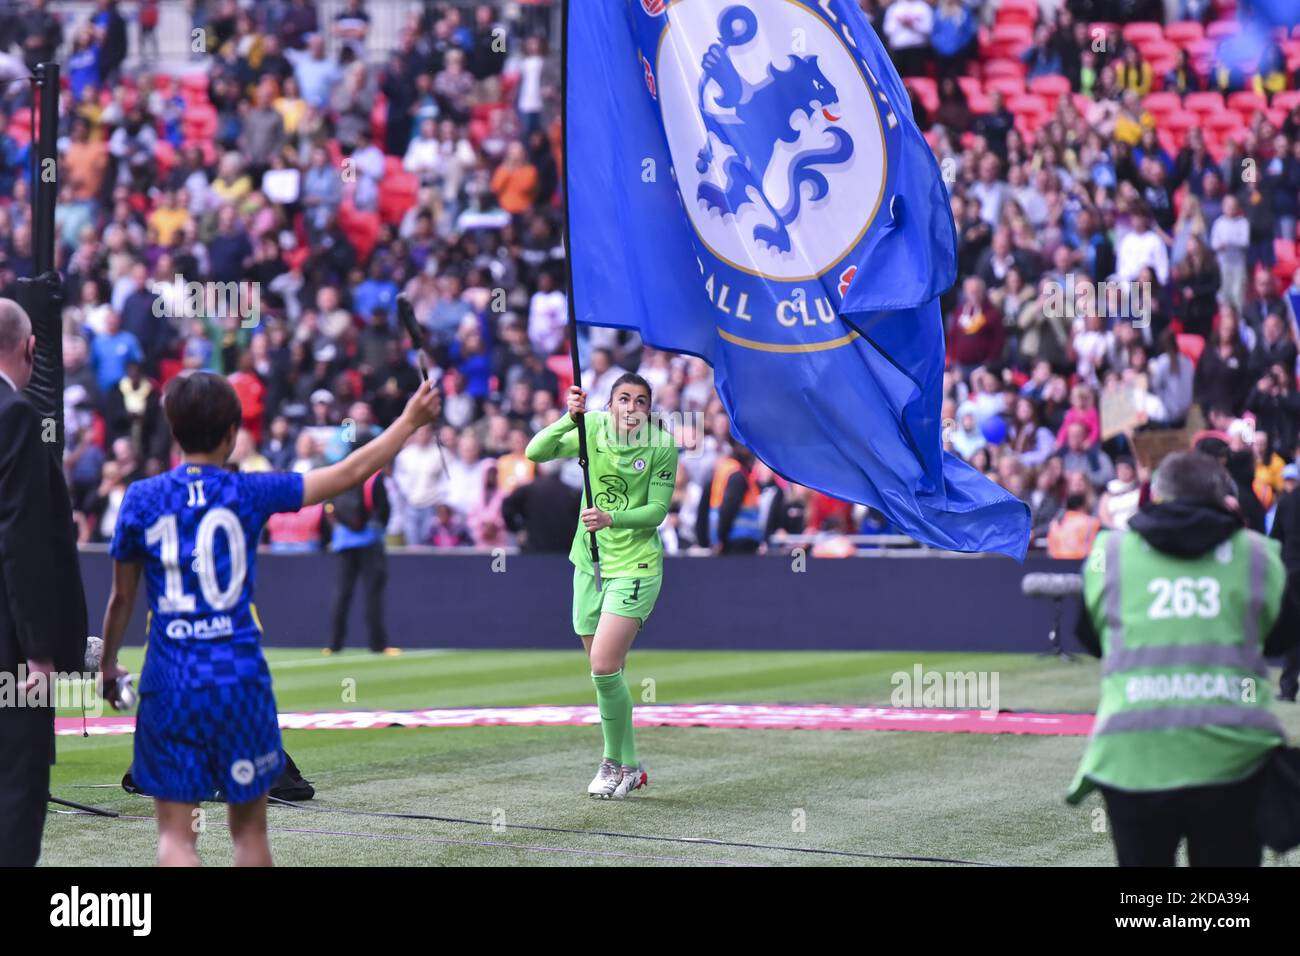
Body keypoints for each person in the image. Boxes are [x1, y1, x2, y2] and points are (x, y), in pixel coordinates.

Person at [97, 371, 439, 866]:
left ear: (172, 431)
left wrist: (108, 665)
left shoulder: (141, 499)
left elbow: (119, 600)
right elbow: (347, 474)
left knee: (175, 840)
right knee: (251, 838)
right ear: (233, 433)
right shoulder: (251, 491)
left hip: (168, 681)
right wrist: (408, 421)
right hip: (239, 680)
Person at [1069, 451, 1299, 866]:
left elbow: (1089, 637)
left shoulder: (1112, 553)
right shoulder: (1257, 554)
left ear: (1154, 494)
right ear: (1224, 497)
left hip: (1132, 753)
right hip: (1233, 758)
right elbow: (1283, 637)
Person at [525, 377, 678, 799]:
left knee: (605, 665)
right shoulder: (591, 426)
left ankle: (612, 765)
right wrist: (568, 417)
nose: (631, 407)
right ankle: (632, 767)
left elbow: (658, 511)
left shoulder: (661, 445)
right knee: (606, 674)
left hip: (636, 566)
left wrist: (613, 519)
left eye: (641, 401)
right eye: (624, 399)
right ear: (609, 404)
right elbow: (534, 452)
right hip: (588, 562)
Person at [0, 299, 88, 866]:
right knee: (14, 789)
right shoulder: (15, 418)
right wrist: (38, 655)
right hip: (9, 650)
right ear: (31, 349)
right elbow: (21, 541)